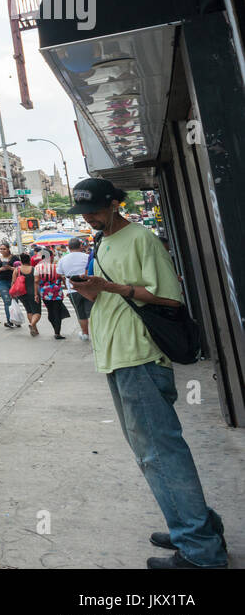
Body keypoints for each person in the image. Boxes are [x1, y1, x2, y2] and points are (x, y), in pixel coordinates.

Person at [67, 178, 227, 569]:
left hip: (138, 356)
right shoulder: (103, 241)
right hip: (115, 356)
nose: (88, 218)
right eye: (84, 213)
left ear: (116, 204)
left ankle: (200, 549)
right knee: (150, 453)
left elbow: (170, 297)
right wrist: (95, 290)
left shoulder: (141, 239)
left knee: (160, 453)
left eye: (95, 210)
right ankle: (194, 525)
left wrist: (114, 287)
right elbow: (114, 292)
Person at [57, 237, 93, 341]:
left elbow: (60, 274)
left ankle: (85, 334)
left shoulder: (63, 260)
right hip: (89, 289)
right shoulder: (87, 257)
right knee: (92, 313)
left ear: (68, 247)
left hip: (73, 290)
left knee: (80, 313)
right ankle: (97, 333)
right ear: (81, 246)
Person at [33, 251, 70, 340]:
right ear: (51, 257)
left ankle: (55, 328)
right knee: (57, 311)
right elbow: (63, 278)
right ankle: (57, 332)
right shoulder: (56, 267)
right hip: (57, 291)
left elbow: (36, 281)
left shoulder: (38, 267)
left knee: (50, 310)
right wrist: (67, 288)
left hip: (45, 292)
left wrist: (36, 294)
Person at [0, 243, 21, 329]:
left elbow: (20, 269)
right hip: (2, 282)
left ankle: (17, 320)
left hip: (14, 281)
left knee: (15, 300)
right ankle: (10, 321)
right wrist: (1, 269)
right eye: (0, 249)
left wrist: (10, 268)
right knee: (7, 301)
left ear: (8, 249)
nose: (2, 250)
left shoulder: (15, 258)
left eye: (4, 249)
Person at [16, 253, 42, 336]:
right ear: (29, 260)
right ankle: (32, 324)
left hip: (21, 293)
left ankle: (35, 330)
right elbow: (36, 282)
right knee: (37, 312)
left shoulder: (17, 270)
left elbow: (13, 282)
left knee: (29, 311)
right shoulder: (34, 269)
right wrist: (36, 294)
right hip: (32, 292)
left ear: (21, 261)